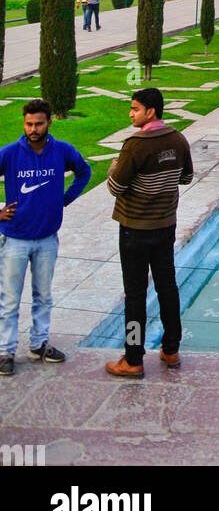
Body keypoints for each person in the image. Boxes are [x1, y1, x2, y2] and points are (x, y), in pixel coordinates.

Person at [105, 88, 193, 378]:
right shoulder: (178, 140)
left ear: (150, 112)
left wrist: (113, 168)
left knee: (135, 294)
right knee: (167, 288)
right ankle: (171, 349)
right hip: (165, 227)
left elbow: (116, 188)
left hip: (135, 230)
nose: (131, 113)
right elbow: (186, 177)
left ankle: (133, 358)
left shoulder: (136, 145)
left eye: (135, 109)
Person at [0, 99, 92, 374]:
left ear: (49, 122)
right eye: (29, 124)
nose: (33, 129)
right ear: (24, 123)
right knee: (10, 299)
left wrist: (64, 200)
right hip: (15, 238)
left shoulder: (62, 151)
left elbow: (84, 171)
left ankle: (39, 343)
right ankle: (6, 351)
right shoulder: (10, 153)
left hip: (47, 239)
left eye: (39, 123)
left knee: (43, 295)